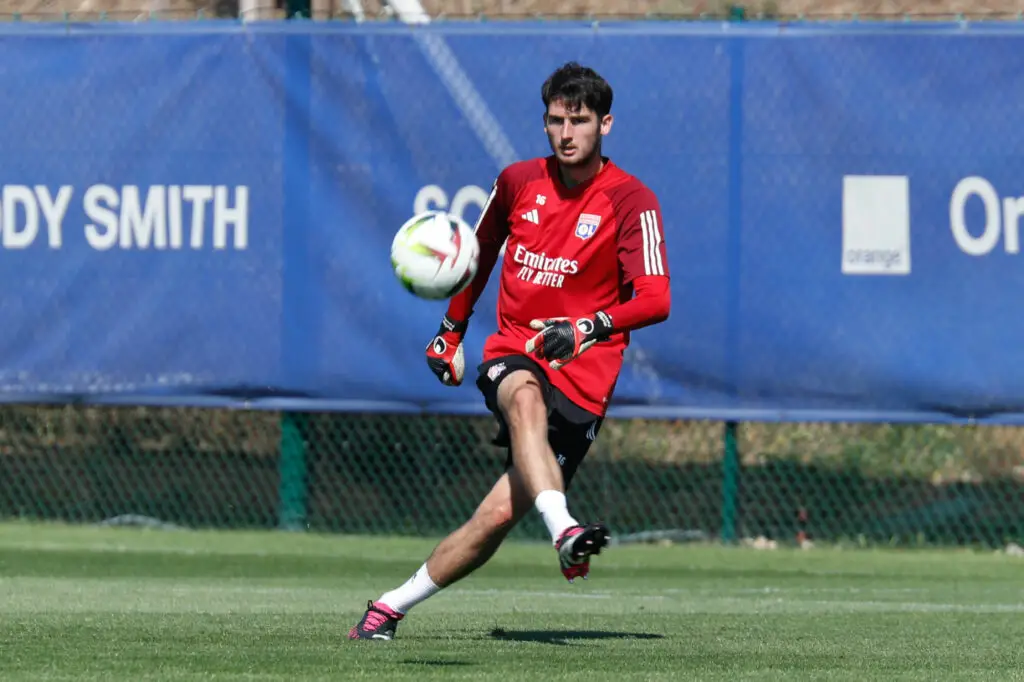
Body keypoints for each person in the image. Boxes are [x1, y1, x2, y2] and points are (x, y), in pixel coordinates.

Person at [349, 61, 672, 641]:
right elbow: (476, 256)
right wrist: (450, 331)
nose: (566, 132)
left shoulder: (631, 201)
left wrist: (587, 328)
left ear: (606, 124)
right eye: (555, 120)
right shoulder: (519, 181)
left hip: (584, 378)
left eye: (580, 121)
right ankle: (564, 529)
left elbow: (655, 298)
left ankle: (387, 609)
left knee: (495, 517)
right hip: (515, 350)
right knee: (522, 396)